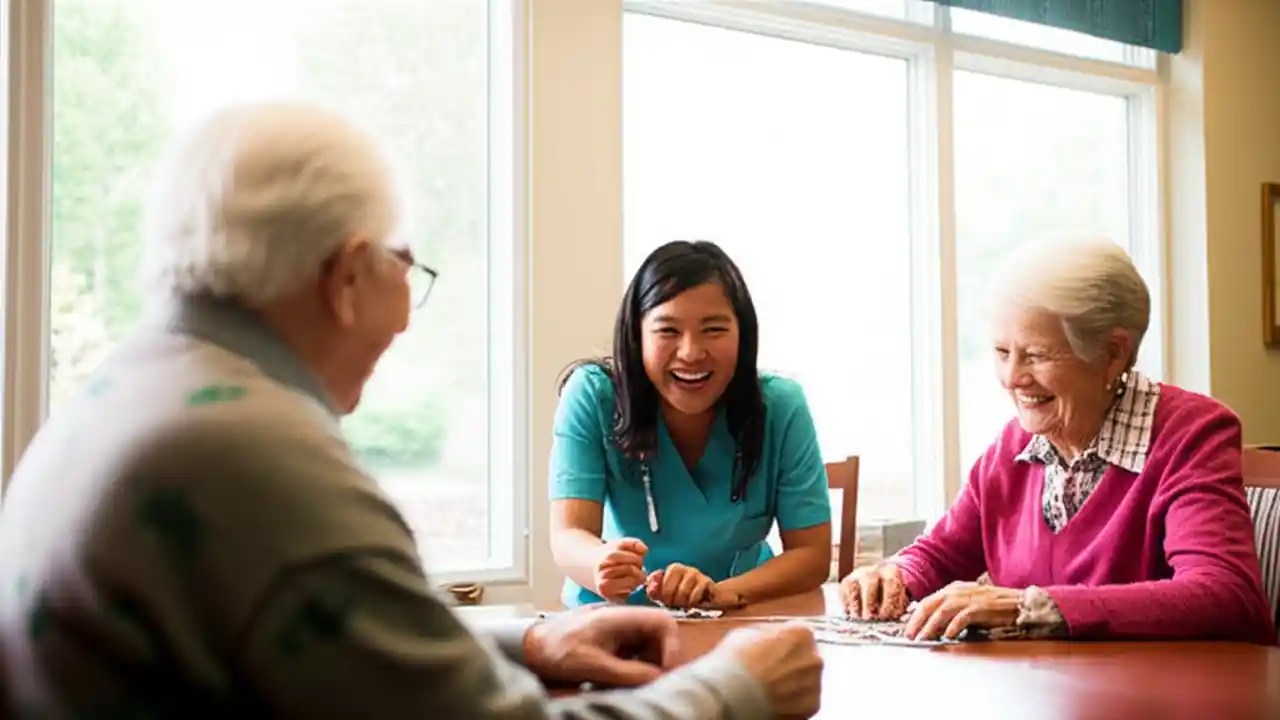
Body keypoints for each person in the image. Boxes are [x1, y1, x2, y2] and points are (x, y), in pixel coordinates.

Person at [0, 102, 825, 718]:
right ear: (347, 273)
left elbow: (344, 636)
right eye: (409, 266)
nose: (407, 306)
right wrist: (735, 691)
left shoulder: (139, 395)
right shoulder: (260, 461)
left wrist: (528, 639)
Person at [840, 239, 1275, 644]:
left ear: (1113, 352)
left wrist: (1030, 606)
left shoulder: (1191, 434)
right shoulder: (1013, 449)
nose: (1012, 379)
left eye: (1036, 355)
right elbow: (940, 554)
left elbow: (1226, 595)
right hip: (1045, 695)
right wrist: (895, 575)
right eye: (1002, 353)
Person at [550, 241, 832, 610]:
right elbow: (570, 534)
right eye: (668, 331)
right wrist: (599, 564)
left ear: (743, 335)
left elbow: (811, 556)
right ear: (636, 336)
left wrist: (720, 593)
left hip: (740, 615)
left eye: (713, 330)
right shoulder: (593, 394)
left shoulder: (782, 406)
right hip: (616, 619)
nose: (691, 353)